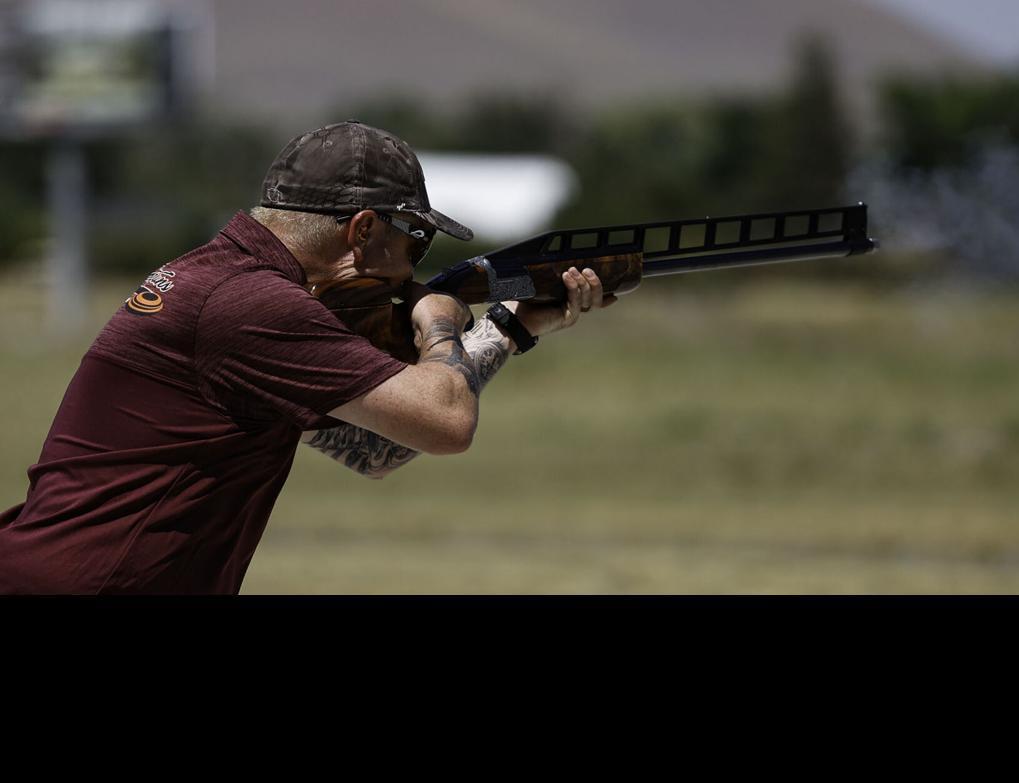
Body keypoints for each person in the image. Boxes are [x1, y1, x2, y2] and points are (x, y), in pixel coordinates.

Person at [0, 120, 614, 594]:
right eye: (415, 238)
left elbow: (376, 450)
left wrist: (509, 326)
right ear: (364, 229)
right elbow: (447, 424)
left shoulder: (229, 281)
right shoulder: (252, 305)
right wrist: (441, 323)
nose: (413, 266)